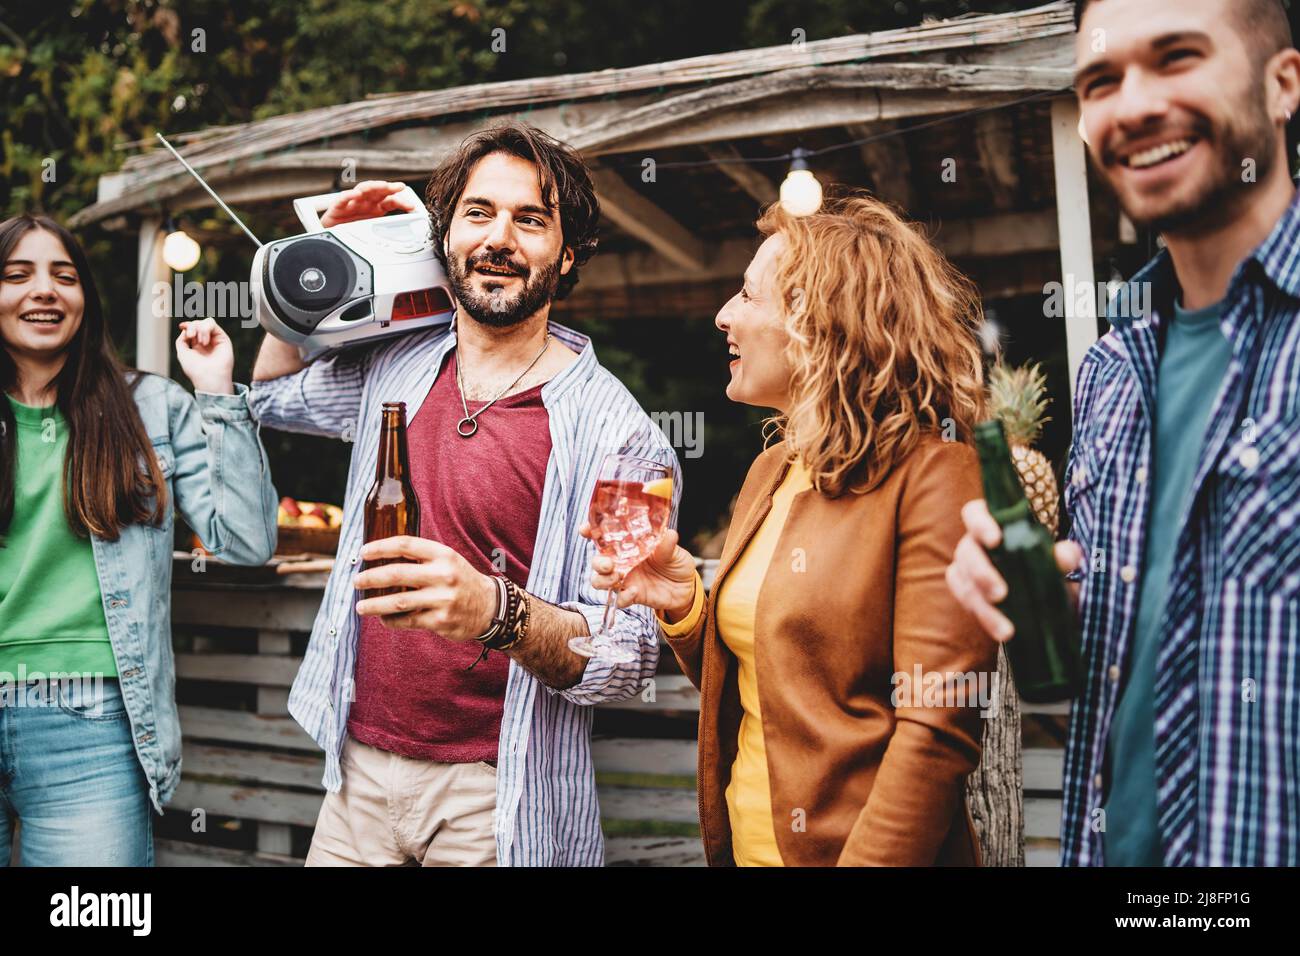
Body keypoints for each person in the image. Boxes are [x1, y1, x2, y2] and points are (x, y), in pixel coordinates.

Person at [250, 122, 680, 867]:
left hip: (498, 797)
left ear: (567, 253)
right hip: (356, 778)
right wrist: (324, 256)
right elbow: (272, 394)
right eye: (478, 213)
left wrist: (495, 612)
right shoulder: (395, 366)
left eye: (531, 219)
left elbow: (628, 656)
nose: (500, 238)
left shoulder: (627, 441)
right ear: (445, 236)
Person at [946, 0, 1300, 865]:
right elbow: (1121, 654)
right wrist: (1037, 599)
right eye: (1101, 79)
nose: (1132, 104)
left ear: (1284, 83)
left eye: (1176, 58)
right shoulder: (1112, 371)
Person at [584, 193, 996, 866]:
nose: (724, 315)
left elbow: (936, 736)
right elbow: (778, 674)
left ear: (819, 323)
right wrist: (685, 604)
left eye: (749, 295)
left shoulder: (935, 476)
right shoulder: (772, 469)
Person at [0, 214, 277, 866]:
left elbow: (246, 540)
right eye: (18, 275)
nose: (45, 291)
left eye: (63, 276)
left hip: (89, 720)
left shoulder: (149, 407)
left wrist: (214, 392)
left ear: (86, 299)